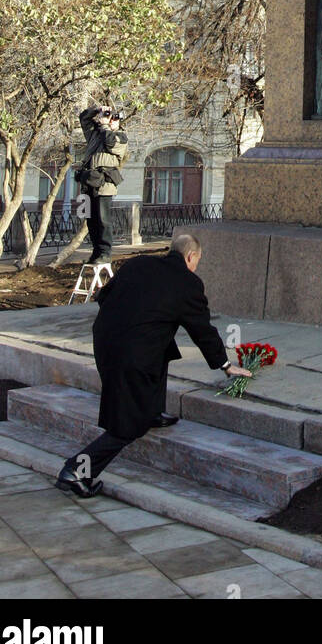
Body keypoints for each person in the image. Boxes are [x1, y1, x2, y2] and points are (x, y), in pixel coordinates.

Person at [55, 231, 250, 497]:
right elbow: (201, 329)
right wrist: (226, 365)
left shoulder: (138, 264)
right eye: (197, 261)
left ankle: (154, 411)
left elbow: (104, 296)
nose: (195, 267)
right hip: (130, 354)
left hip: (104, 339)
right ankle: (78, 471)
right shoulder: (187, 282)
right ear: (191, 256)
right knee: (127, 426)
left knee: (164, 346)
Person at [77, 104, 130, 264]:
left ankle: (105, 253)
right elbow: (83, 119)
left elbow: (110, 142)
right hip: (88, 183)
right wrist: (97, 110)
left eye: (115, 118)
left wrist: (105, 125)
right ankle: (96, 252)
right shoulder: (96, 134)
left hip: (104, 185)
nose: (111, 120)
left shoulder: (120, 137)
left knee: (103, 219)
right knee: (90, 219)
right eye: (109, 117)